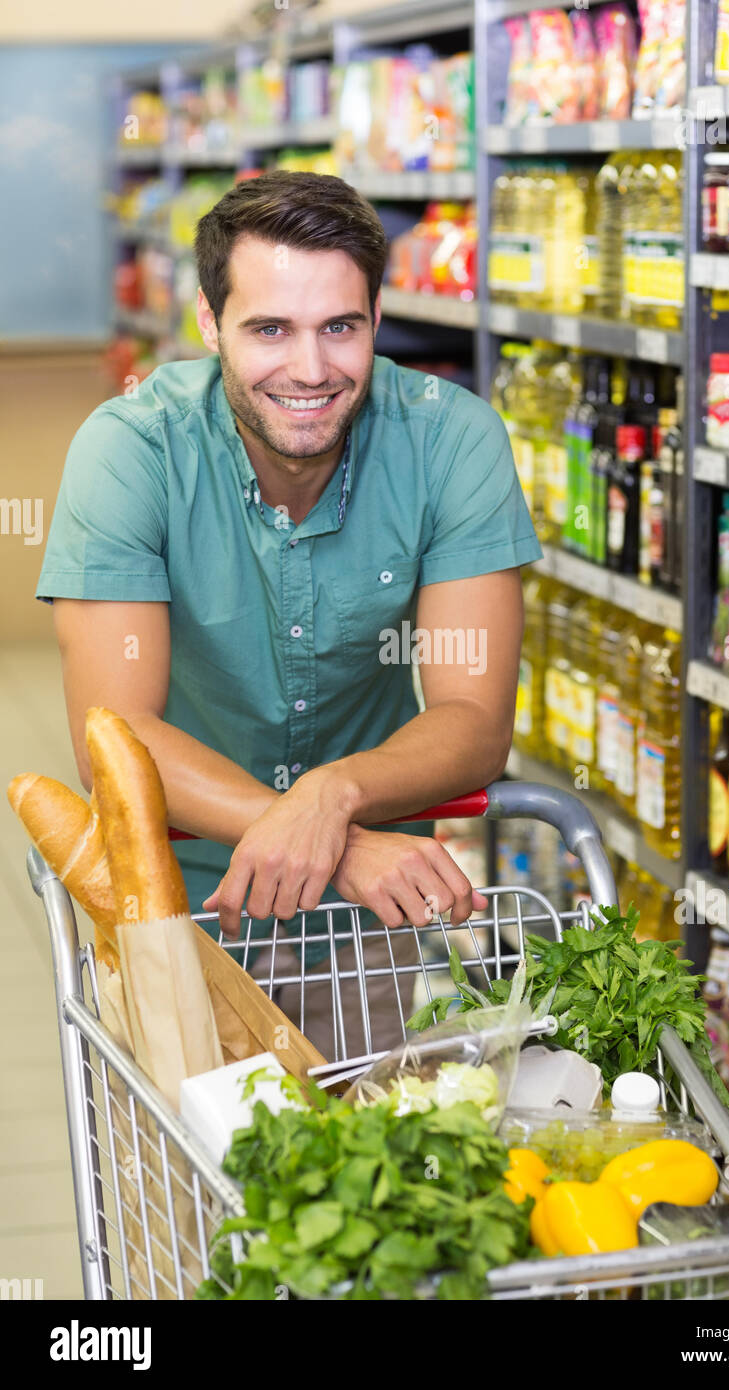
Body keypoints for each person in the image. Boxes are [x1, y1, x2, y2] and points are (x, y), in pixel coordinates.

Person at [36, 170, 542, 1056]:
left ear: (377, 320)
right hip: (172, 911)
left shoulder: (452, 439)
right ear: (208, 324)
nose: (309, 369)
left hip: (363, 934)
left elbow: (473, 720)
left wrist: (333, 794)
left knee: (361, 1178)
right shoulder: (128, 451)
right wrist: (334, 843)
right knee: (180, 1192)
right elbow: (112, 733)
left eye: (339, 327)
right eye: (269, 328)